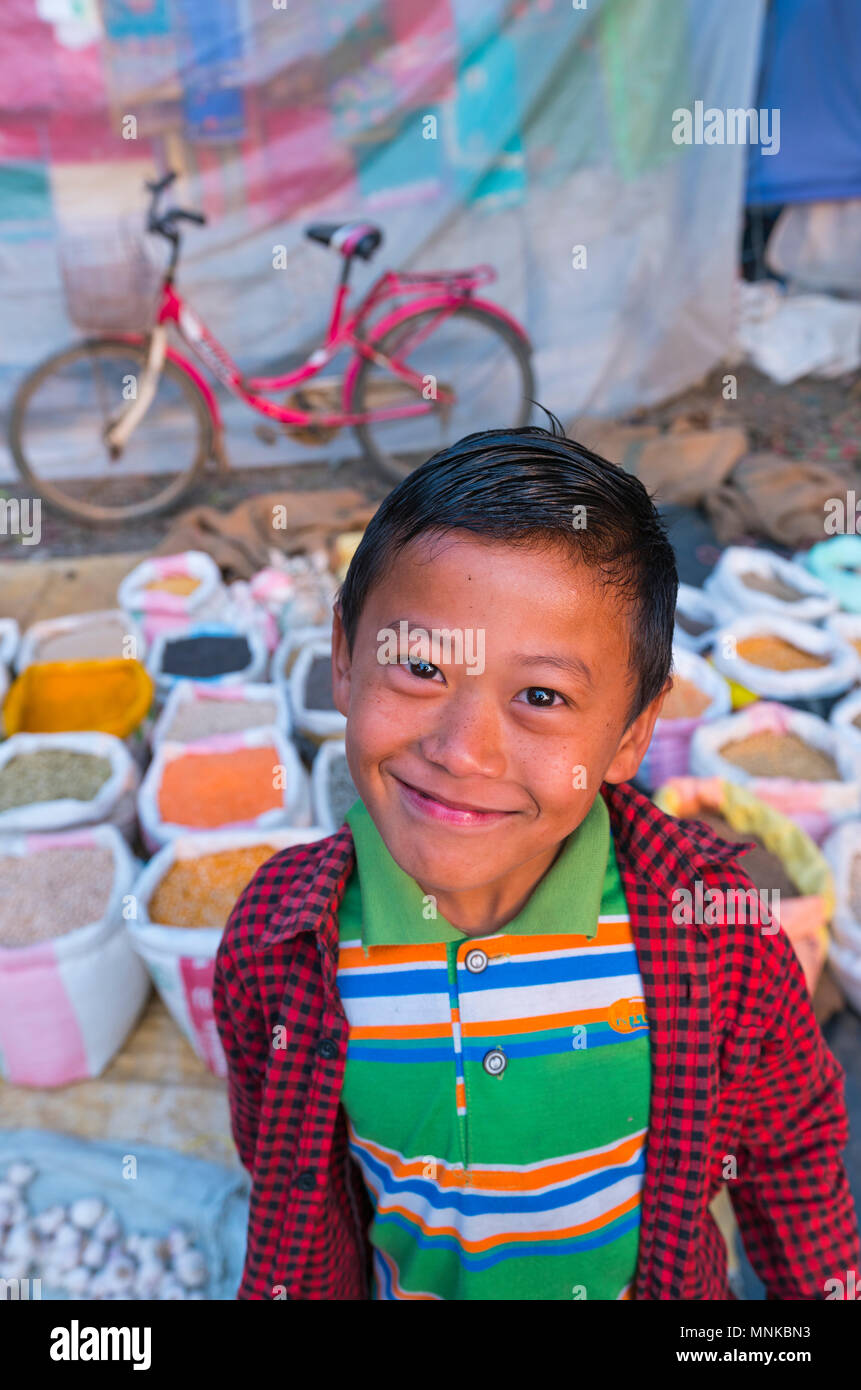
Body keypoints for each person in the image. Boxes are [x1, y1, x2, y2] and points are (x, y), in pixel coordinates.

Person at [213, 419, 859, 1301]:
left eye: (541, 696)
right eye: (420, 668)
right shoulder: (278, 943)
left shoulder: (718, 940)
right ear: (343, 658)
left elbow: (787, 1161)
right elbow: (294, 1192)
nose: (464, 750)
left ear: (633, 732)